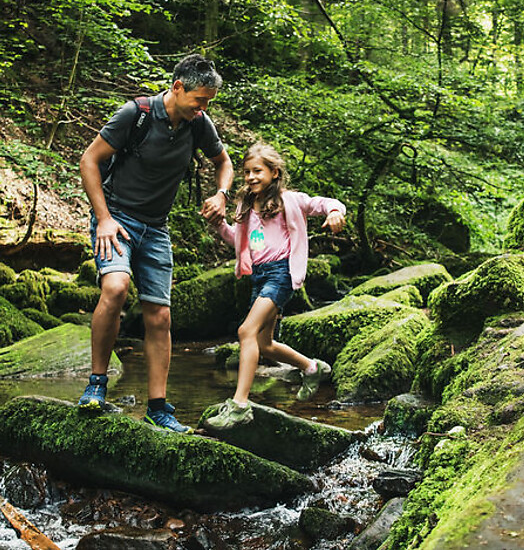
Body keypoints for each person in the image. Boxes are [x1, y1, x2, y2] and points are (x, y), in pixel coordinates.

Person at [76, 54, 234, 433]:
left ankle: (158, 408)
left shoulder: (198, 124)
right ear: (178, 88)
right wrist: (104, 219)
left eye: (209, 102)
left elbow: (223, 162)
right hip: (116, 219)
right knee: (115, 288)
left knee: (160, 317)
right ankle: (96, 385)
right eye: (200, 99)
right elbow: (88, 160)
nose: (204, 108)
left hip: (156, 229)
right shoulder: (136, 114)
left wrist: (222, 195)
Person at [202, 143, 346, 430]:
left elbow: (324, 203)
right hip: (259, 274)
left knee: (246, 331)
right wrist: (219, 225)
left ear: (274, 172)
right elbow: (240, 242)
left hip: (281, 273)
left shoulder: (290, 200)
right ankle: (312, 367)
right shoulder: (245, 205)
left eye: (258, 171)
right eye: (246, 172)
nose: (251, 177)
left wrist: (334, 212)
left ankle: (240, 404)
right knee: (264, 344)